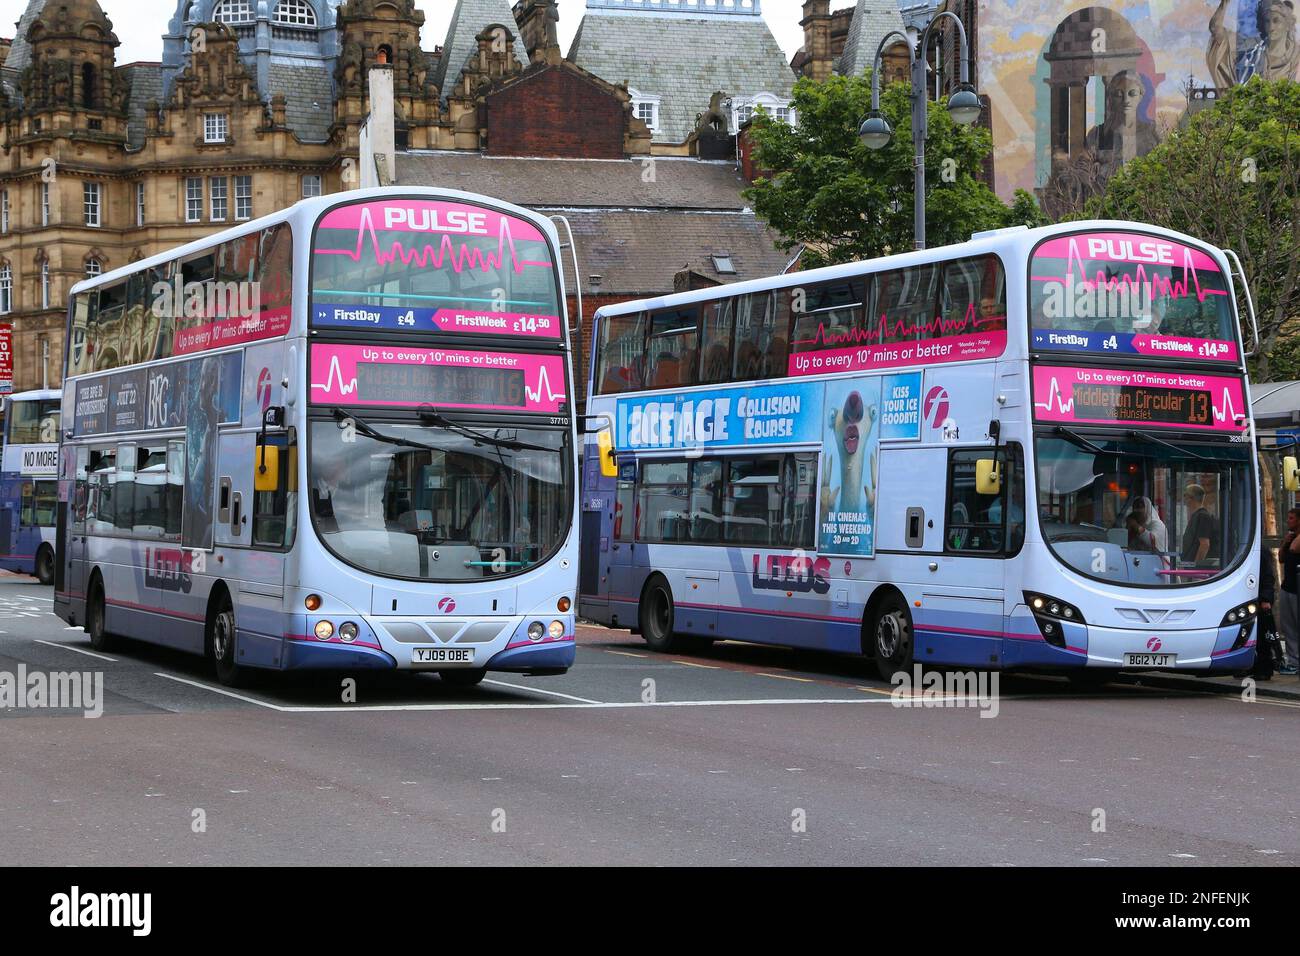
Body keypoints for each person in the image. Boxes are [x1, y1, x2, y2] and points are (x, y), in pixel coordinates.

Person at [1278, 507, 1300, 675]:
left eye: (1292, 518)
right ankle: (1293, 661)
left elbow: (1294, 549)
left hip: (1297, 589)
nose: (1288, 521)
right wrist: (1285, 541)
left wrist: (1291, 540)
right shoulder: (1291, 537)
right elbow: (1281, 557)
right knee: (1288, 627)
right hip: (1288, 587)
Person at [1254, 540, 1280, 679]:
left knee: (1263, 636)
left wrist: (1265, 599)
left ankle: (1265, 669)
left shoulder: (1261, 550)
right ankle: (1256, 667)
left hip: (1261, 599)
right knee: (1255, 636)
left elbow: (1268, 576)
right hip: (1254, 597)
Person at [1180, 483, 1220, 565]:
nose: (1184, 498)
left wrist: (1195, 566)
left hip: (1197, 572)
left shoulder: (1202, 516)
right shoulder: (1197, 515)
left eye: (1185, 495)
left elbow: (1204, 545)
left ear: (1191, 498)